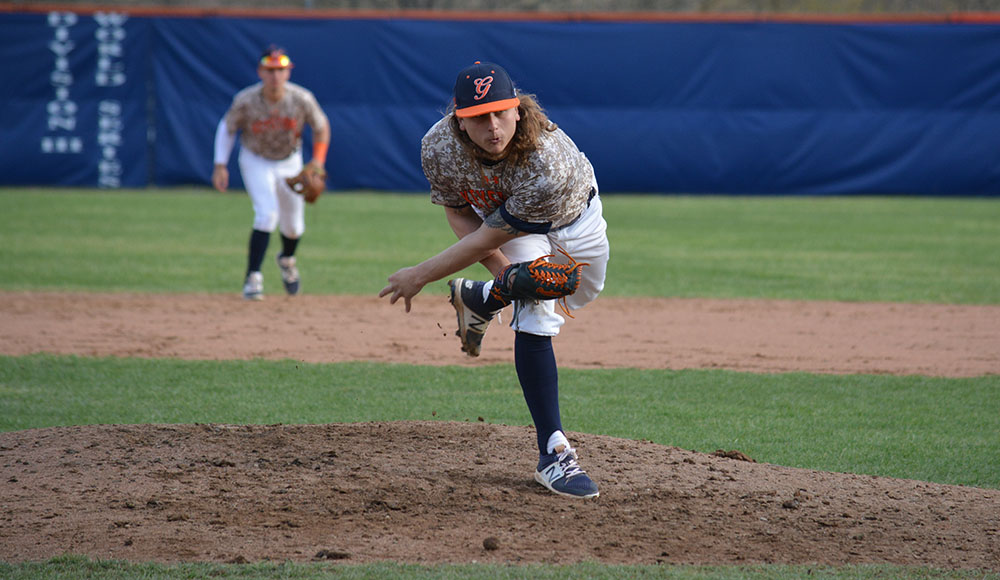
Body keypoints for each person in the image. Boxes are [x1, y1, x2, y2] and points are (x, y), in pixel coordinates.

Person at [379, 61, 610, 499]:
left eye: (501, 112)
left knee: (582, 293)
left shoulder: (547, 161)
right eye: (478, 117)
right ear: (458, 119)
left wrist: (420, 275)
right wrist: (508, 274)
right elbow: (458, 211)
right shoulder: (438, 146)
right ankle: (553, 453)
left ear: (518, 110)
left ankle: (481, 299)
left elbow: (486, 236)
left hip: (576, 222)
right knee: (537, 316)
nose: (492, 126)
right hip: (512, 228)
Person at [212, 46, 331, 300]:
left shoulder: (301, 98)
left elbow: (321, 127)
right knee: (266, 214)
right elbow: (227, 127)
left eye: (280, 70)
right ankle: (253, 277)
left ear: (288, 72)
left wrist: (318, 162)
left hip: (290, 162)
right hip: (256, 160)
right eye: (270, 70)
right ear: (260, 72)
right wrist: (220, 164)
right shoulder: (246, 99)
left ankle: (287, 260)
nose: (275, 75)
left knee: (294, 227)